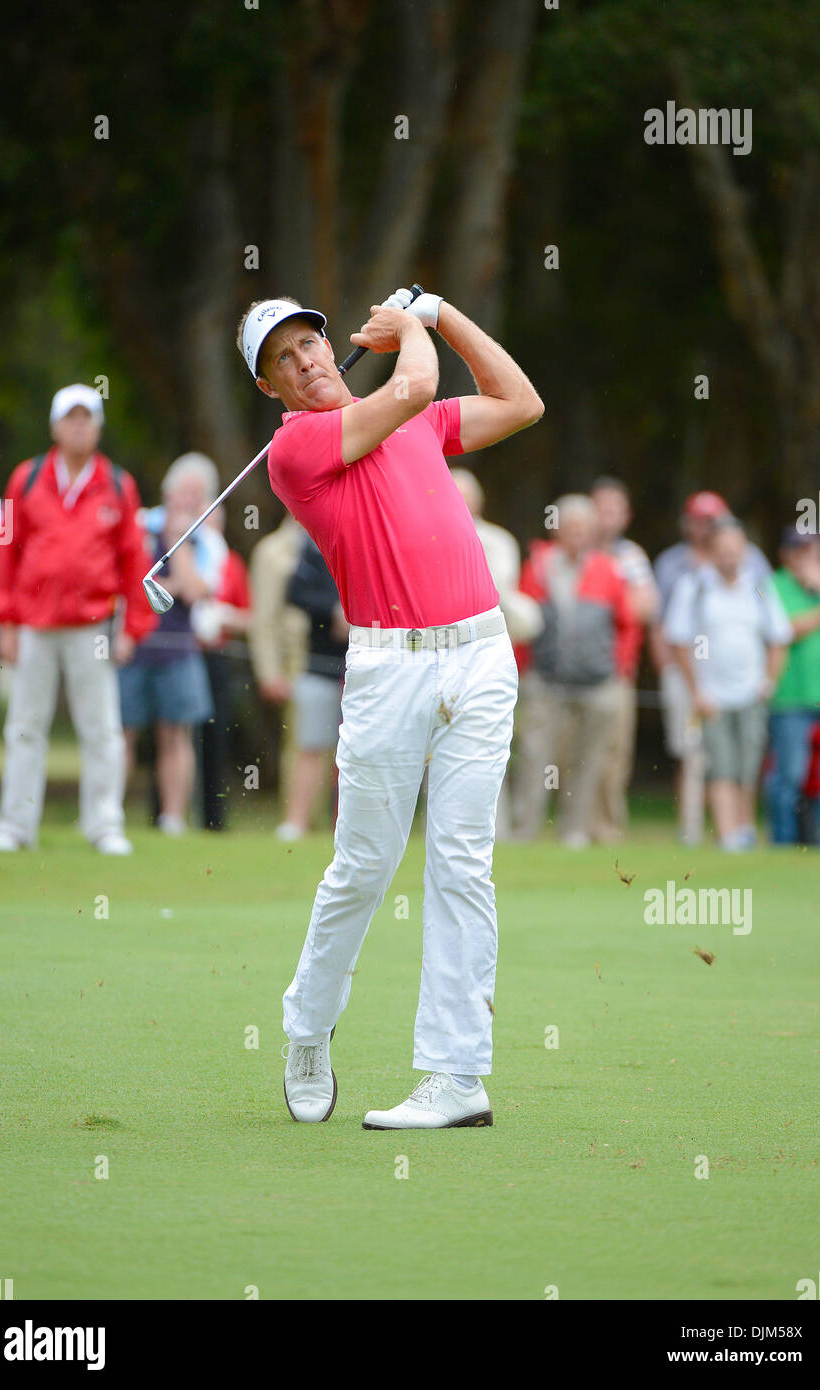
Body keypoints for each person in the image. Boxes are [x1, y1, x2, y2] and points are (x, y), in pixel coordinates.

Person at [237, 287, 542, 1128]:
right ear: (271, 387)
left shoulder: (411, 416)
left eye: (310, 344)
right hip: (388, 670)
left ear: (332, 347)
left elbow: (521, 402)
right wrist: (412, 330)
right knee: (364, 868)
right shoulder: (296, 450)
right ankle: (307, 1026)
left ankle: (456, 1077)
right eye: (283, 360)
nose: (305, 362)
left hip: (480, 653)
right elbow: (408, 388)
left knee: (461, 864)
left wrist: (444, 319)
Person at [0, 386, 155, 854]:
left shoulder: (118, 483)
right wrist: (6, 623)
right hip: (34, 624)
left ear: (97, 427)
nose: (79, 426)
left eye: (87, 418)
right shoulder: (26, 478)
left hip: (92, 626)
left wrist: (131, 628)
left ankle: (103, 824)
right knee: (24, 726)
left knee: (101, 728)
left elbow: (132, 561)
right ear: (55, 426)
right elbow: (6, 553)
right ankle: (16, 825)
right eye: (71, 418)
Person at [664, 517, 791, 849]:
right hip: (712, 695)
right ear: (712, 552)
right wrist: (696, 691)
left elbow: (779, 638)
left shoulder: (759, 587)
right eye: (722, 551)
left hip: (751, 692)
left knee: (748, 765)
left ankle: (744, 827)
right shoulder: (695, 587)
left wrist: (768, 683)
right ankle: (727, 833)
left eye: (735, 551)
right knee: (722, 764)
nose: (729, 557)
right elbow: (679, 643)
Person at [512, 494, 632, 846]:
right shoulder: (537, 567)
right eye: (572, 528)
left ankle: (575, 830)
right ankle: (525, 829)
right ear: (558, 530)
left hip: (597, 682)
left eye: (585, 529)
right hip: (546, 679)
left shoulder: (608, 569)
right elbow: (522, 623)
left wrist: (620, 666)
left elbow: (626, 624)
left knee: (588, 761)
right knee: (535, 755)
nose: (578, 535)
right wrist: (522, 670)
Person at [119, 454, 215, 835]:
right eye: (183, 490)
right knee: (122, 732)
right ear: (168, 490)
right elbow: (130, 584)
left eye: (196, 494)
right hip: (135, 646)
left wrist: (179, 541)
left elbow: (194, 590)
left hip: (179, 650)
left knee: (174, 734)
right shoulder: (140, 524)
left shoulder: (202, 538)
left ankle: (173, 817)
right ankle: (110, 813)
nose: (187, 499)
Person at [450, 467, 542, 838]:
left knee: (487, 746)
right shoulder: (423, 533)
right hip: (440, 656)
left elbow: (495, 591)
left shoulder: (497, 541)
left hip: (486, 656)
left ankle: (495, 831)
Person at [766, 527, 820, 846]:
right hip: (789, 696)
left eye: (811, 549)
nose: (806, 557)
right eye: (798, 550)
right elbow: (786, 629)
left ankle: (815, 838)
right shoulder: (774, 585)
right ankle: (785, 840)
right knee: (790, 775)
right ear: (785, 555)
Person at [589, 475, 659, 841]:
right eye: (599, 508)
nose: (605, 517)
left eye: (613, 509)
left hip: (616, 668)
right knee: (574, 753)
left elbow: (646, 605)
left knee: (614, 752)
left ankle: (608, 828)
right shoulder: (573, 549)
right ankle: (576, 826)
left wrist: (602, 603)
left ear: (625, 516)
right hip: (574, 671)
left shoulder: (630, 556)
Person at [279, 533, 349, 838]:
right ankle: (297, 822)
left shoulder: (376, 539)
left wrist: (358, 615)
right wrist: (335, 609)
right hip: (319, 664)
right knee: (311, 746)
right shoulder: (315, 543)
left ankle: (349, 829)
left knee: (360, 754)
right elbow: (295, 591)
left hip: (367, 669)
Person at [190, 506, 251, 831]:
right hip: (184, 654)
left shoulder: (231, 564)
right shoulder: (181, 556)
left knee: (215, 734)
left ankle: (213, 819)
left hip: (217, 657)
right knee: (179, 735)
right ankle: (168, 816)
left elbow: (248, 617)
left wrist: (225, 616)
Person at [247, 513, 309, 823]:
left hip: (343, 654)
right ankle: (297, 821)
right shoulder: (273, 551)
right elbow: (264, 617)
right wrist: (269, 672)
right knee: (302, 743)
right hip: (295, 660)